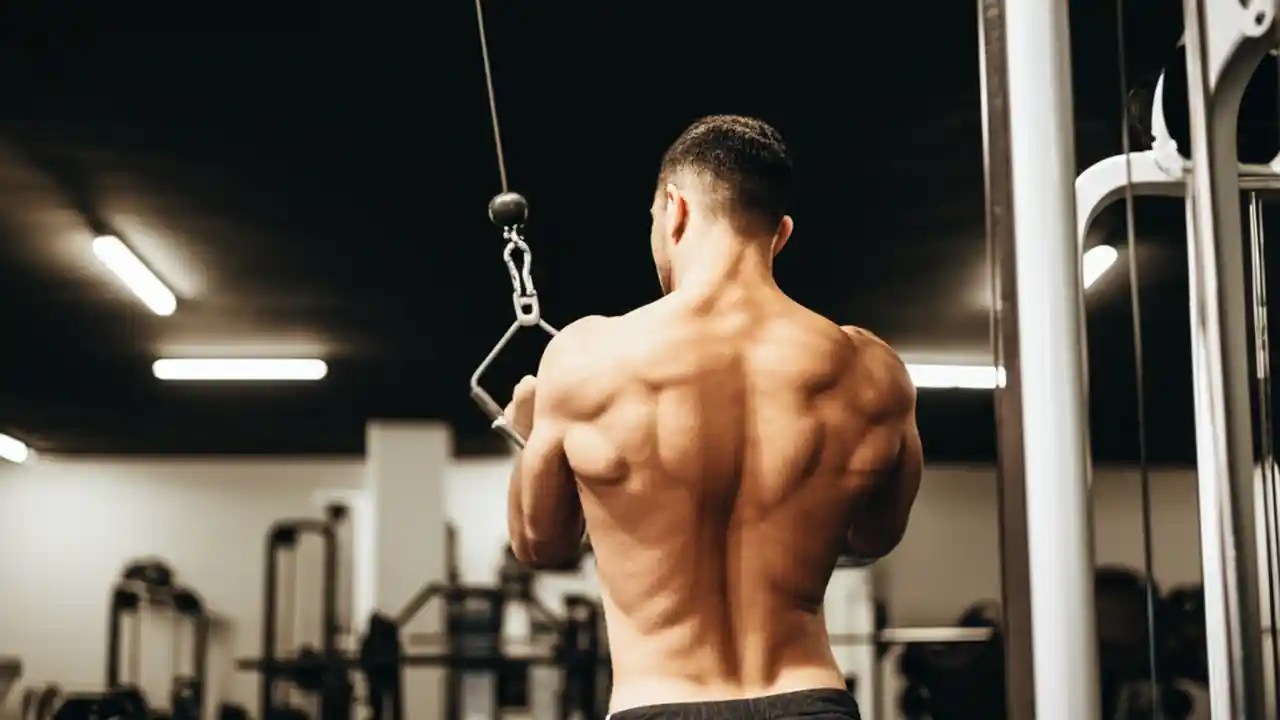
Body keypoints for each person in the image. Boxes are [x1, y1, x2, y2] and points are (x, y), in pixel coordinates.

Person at [503, 115, 922, 720]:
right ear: (780, 233)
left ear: (674, 210)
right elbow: (874, 535)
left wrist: (527, 426)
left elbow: (541, 544)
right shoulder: (872, 370)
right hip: (809, 698)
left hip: (659, 701)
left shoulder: (587, 356)